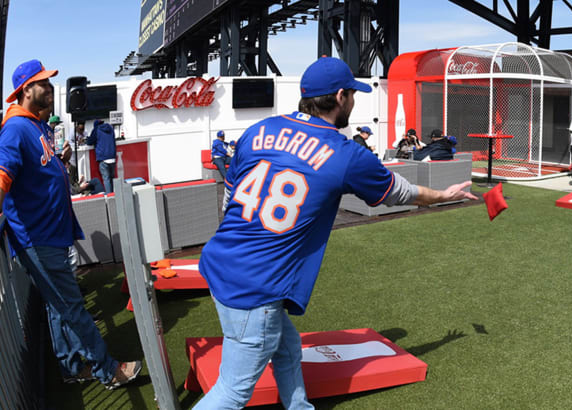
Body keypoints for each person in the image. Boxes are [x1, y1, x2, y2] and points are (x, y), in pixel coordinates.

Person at [193, 58, 477, 409]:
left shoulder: (257, 130)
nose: (353, 102)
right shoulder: (346, 153)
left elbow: (230, 196)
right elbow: (400, 193)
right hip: (257, 285)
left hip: (221, 260)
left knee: (287, 347)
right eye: (352, 95)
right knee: (232, 392)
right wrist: (443, 196)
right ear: (340, 96)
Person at [0, 59, 141, 389]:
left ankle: (70, 366)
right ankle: (107, 370)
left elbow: (38, 172)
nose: (50, 88)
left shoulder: (38, 125)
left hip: (52, 234)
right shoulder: (16, 128)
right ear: (25, 91)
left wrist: (61, 161)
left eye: (50, 83)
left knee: (59, 307)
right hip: (38, 240)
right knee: (72, 308)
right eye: (43, 84)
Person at [86, 119, 116, 193]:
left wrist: (87, 139)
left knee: (106, 179)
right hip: (112, 157)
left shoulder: (96, 129)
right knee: (112, 178)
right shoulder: (111, 128)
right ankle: (114, 196)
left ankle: (109, 198)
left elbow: (90, 142)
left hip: (103, 158)